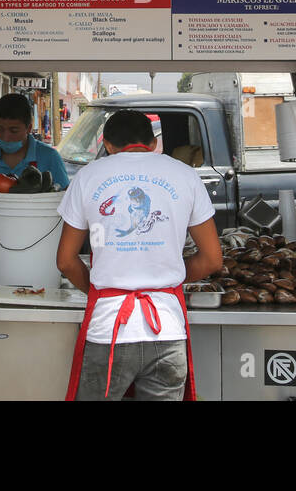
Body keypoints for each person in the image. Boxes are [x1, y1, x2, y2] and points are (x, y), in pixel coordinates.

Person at [57, 110, 222, 400]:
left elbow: (66, 261)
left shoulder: (88, 176)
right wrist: (166, 281)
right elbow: (211, 259)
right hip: (167, 328)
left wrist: (101, 291)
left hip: (108, 327)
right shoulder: (184, 174)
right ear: (153, 141)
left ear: (106, 144)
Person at [0, 93, 71, 218]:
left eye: (14, 131)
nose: (6, 137)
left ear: (29, 128)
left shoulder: (50, 157)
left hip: (39, 234)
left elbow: (66, 204)